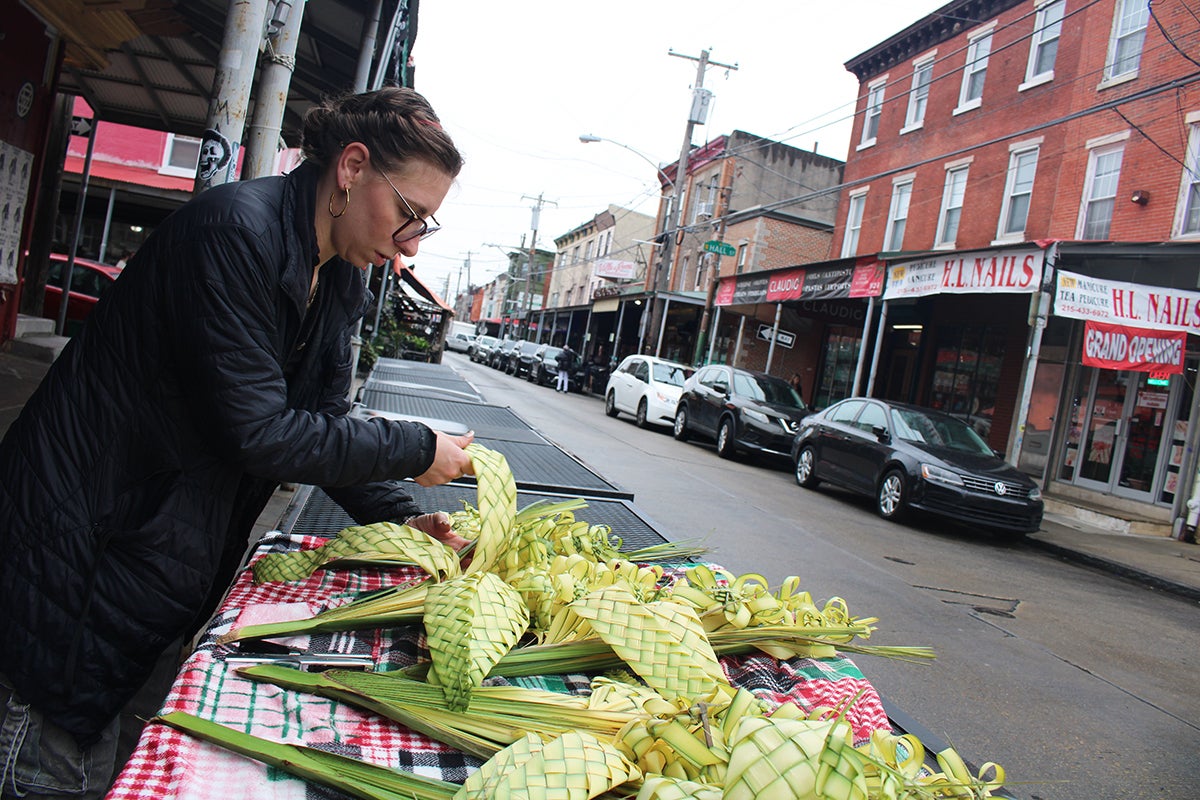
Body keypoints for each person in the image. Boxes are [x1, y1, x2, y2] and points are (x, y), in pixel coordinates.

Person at [0, 86, 475, 798]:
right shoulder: (235, 234)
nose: (411, 242)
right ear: (350, 167)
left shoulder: (339, 273)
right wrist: (413, 445)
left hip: (147, 553)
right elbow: (262, 432)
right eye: (409, 214)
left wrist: (401, 516)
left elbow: (321, 419)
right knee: (56, 767)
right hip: (74, 552)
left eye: (425, 226)